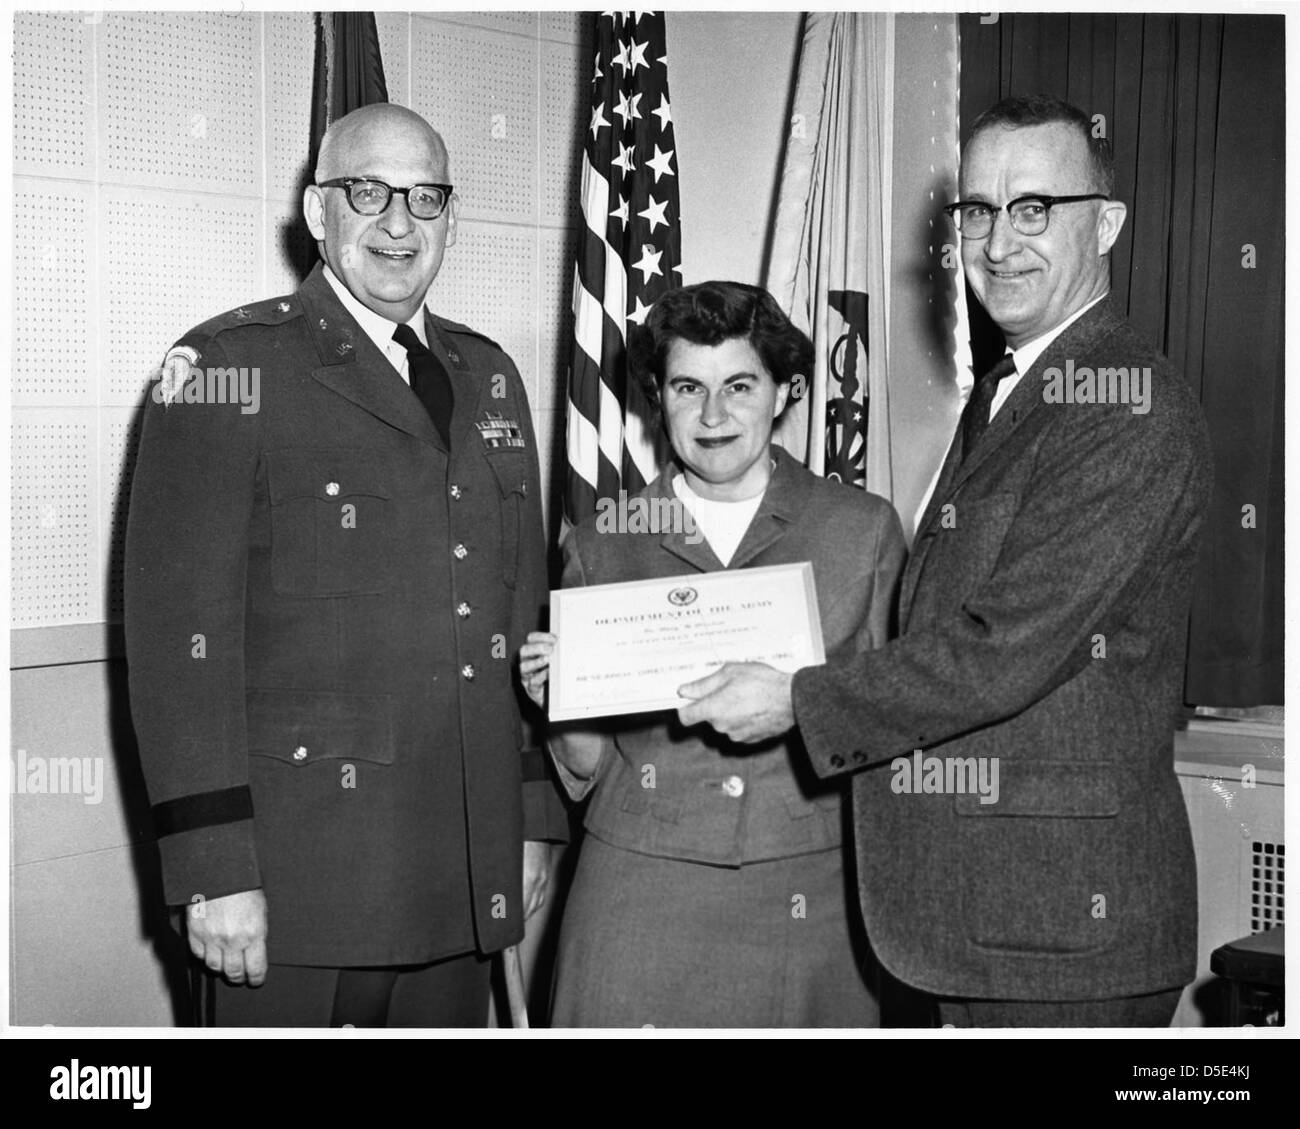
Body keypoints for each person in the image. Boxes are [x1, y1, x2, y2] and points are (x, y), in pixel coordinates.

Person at [678, 95, 1212, 1027]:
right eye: (977, 211)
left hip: (1059, 939)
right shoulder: (1016, 390)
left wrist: (800, 698)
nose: (1000, 243)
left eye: (1035, 208)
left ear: (1109, 225)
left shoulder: (1129, 406)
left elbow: (1004, 647)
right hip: (983, 923)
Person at [124, 103, 565, 1027]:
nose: (399, 222)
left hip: (460, 872)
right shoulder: (226, 366)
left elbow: (517, 621)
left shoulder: (489, 377)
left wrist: (529, 815)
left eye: (426, 196)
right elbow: (181, 648)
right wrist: (212, 870)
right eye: (367, 191)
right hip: (296, 891)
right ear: (317, 212)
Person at [519, 281, 907, 1027]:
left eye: (739, 385)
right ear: (656, 399)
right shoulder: (606, 537)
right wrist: (557, 695)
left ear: (785, 392)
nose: (714, 415)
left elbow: (896, 718)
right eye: (687, 387)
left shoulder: (860, 530)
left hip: (809, 892)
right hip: (640, 891)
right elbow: (587, 764)